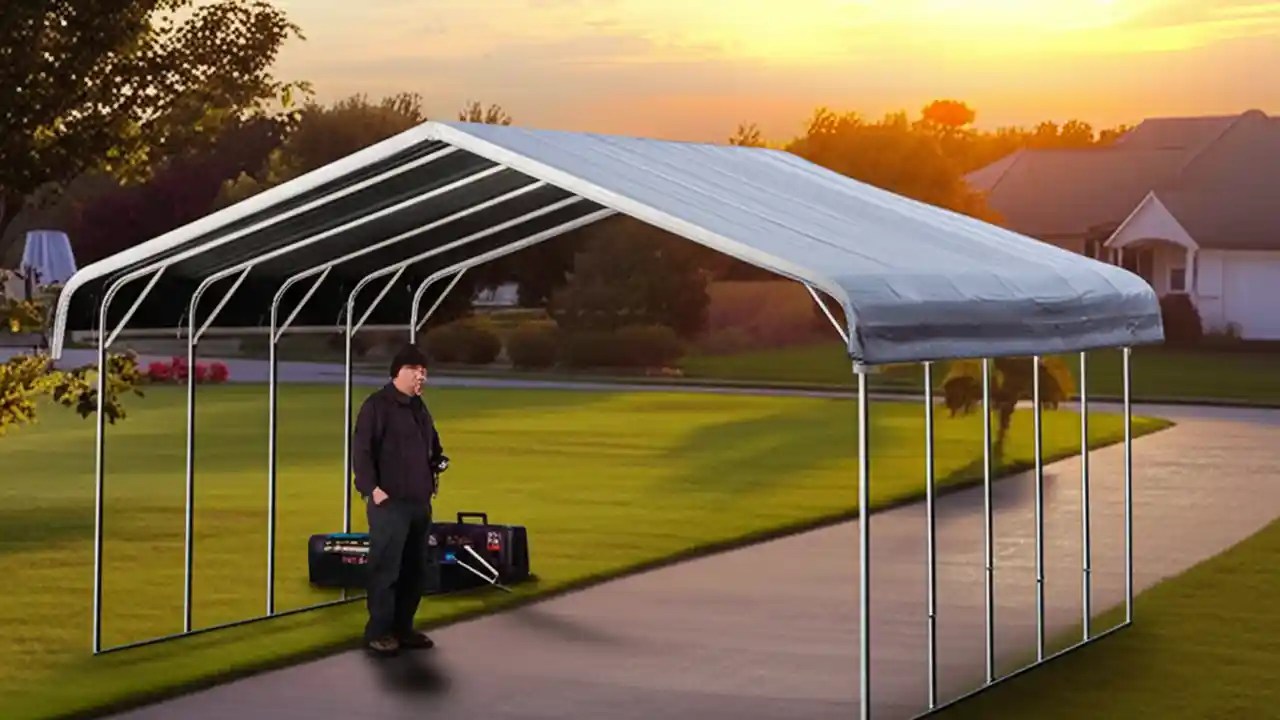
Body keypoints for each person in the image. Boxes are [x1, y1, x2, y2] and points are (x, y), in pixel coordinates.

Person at [351, 343, 448, 656]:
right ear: (400, 372)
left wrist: (437, 465)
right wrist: (372, 489)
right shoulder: (376, 406)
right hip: (389, 504)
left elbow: (433, 445)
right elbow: (362, 452)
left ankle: (403, 628)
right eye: (417, 371)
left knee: (414, 569)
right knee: (386, 568)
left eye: (424, 372)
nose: (422, 377)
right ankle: (378, 631)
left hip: (419, 503)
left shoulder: (420, 408)